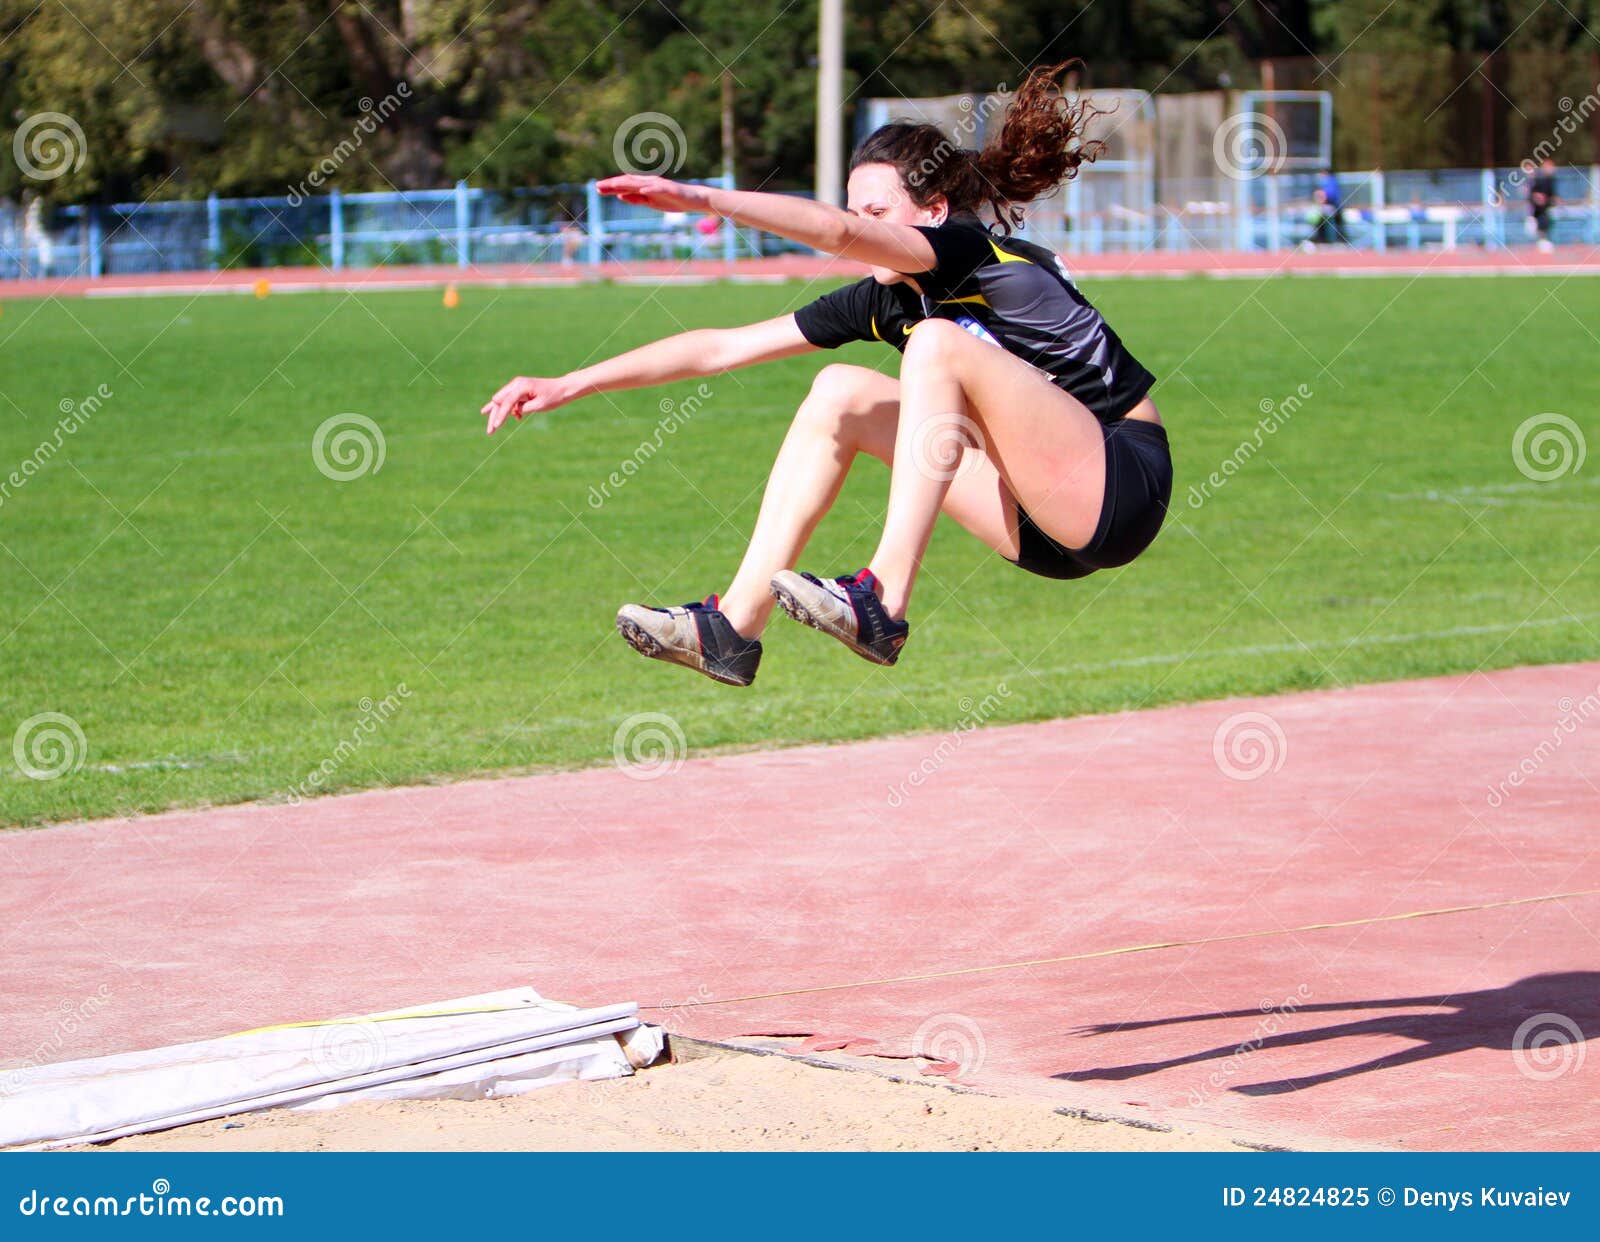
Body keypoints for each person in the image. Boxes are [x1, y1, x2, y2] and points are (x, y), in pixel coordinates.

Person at [481, 61, 1172, 688]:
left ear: (932, 213)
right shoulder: (885, 298)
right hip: (1031, 520)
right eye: (855, 209)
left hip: (1120, 483)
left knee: (936, 345)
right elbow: (719, 349)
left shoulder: (973, 251)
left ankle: (883, 601)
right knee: (839, 389)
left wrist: (705, 199)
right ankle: (733, 629)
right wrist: (573, 381)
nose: (859, 226)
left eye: (877, 213)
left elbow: (836, 236)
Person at [1528, 157, 1557, 253]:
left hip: (1547, 208)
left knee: (1547, 222)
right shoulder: (1539, 179)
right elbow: (1533, 193)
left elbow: (1552, 194)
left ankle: (1544, 241)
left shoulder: (1551, 180)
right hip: (1538, 210)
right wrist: (1538, 197)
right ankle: (1541, 241)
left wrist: (1554, 199)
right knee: (1541, 222)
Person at [1311, 168, 1343, 245]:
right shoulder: (1330, 181)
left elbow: (1329, 195)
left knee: (1328, 222)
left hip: (1333, 207)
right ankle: (1322, 239)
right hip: (1331, 207)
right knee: (1320, 220)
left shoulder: (1330, 181)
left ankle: (1328, 240)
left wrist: (1322, 199)